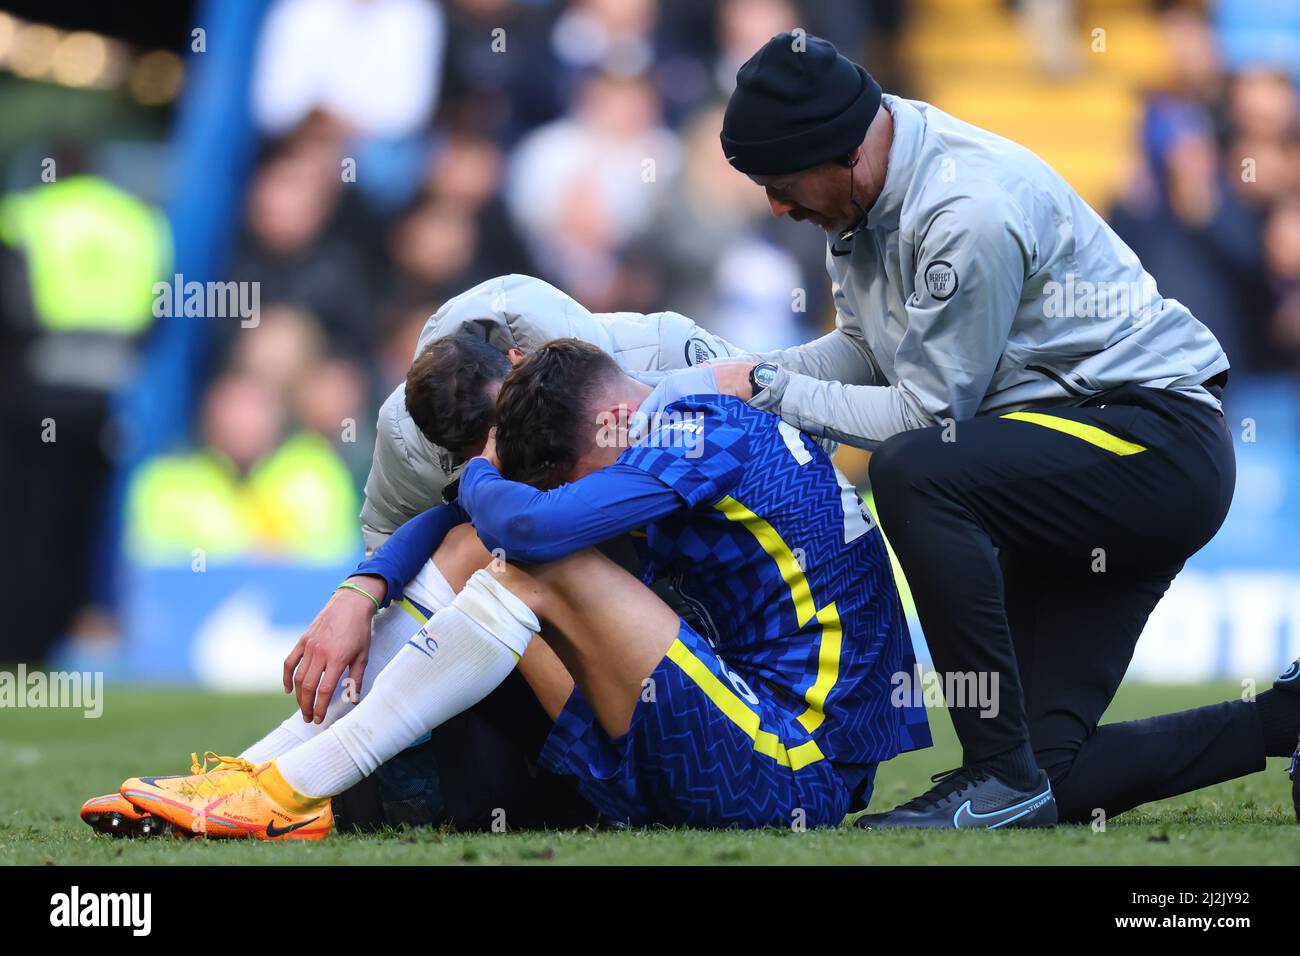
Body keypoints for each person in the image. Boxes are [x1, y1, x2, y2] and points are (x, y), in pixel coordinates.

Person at [706, 32, 1300, 827]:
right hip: (1081, 453)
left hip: (1152, 441)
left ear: (844, 151)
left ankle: (992, 775)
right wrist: (737, 378)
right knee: (1055, 782)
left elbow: (925, 416)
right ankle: (1284, 721)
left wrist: (768, 389)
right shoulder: (866, 185)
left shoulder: (965, 210)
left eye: (781, 183)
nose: (777, 205)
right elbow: (861, 351)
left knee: (917, 471)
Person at [111, 340, 930, 834]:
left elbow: (536, 531)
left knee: (546, 559)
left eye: (574, 479)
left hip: (790, 770)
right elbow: (494, 529)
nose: (583, 500)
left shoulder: (699, 431)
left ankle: (297, 789)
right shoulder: (664, 417)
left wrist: (477, 473)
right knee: (488, 547)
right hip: (737, 728)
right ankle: (252, 774)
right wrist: (366, 586)